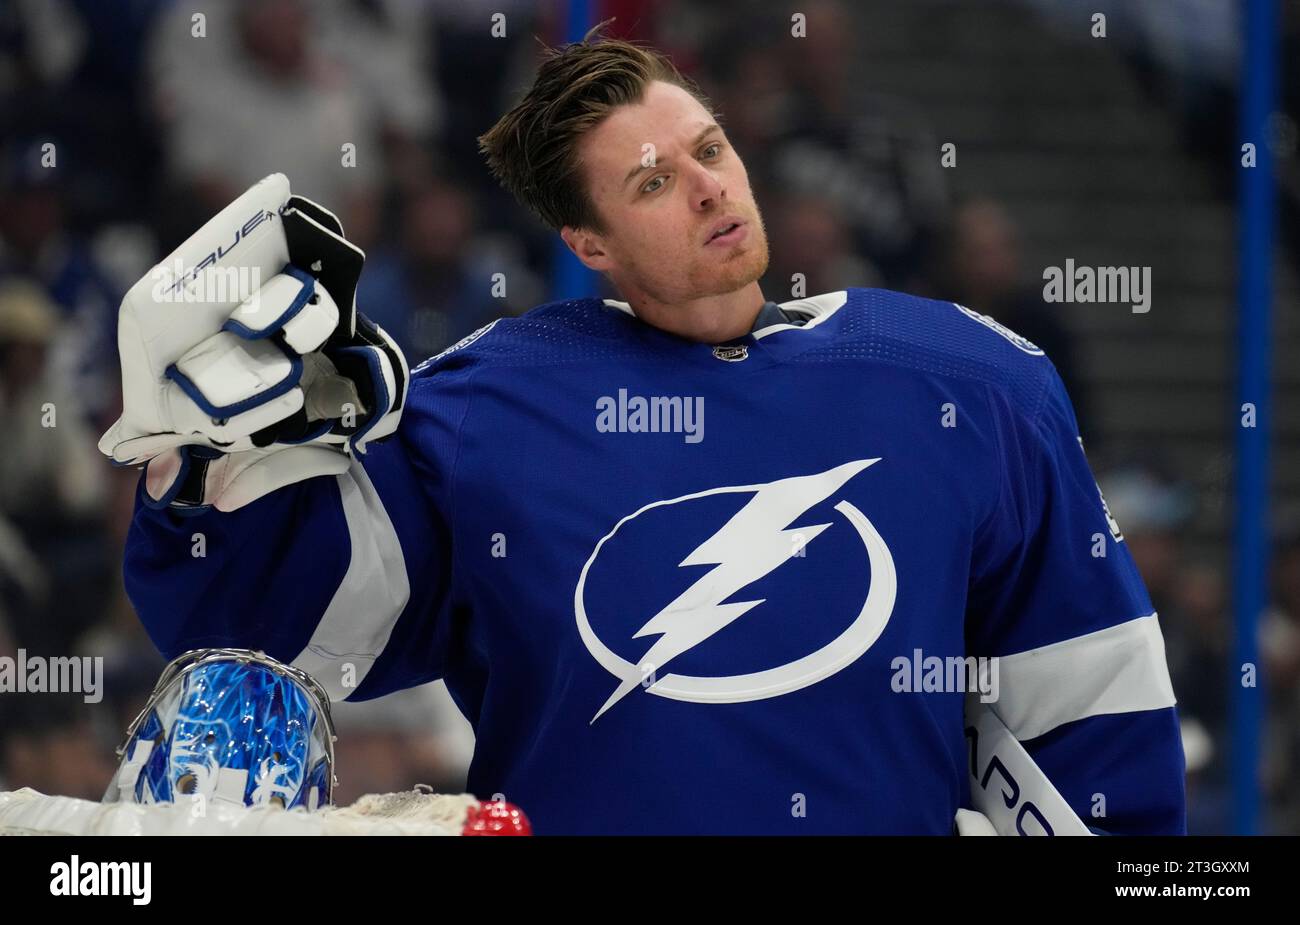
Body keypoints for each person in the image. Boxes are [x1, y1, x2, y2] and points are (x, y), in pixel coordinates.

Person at [109, 29, 1184, 834]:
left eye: (709, 147)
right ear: (588, 241)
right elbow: (266, 630)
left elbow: (1089, 696)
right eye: (653, 183)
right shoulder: (485, 410)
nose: (710, 186)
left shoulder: (969, 379)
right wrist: (206, 466)